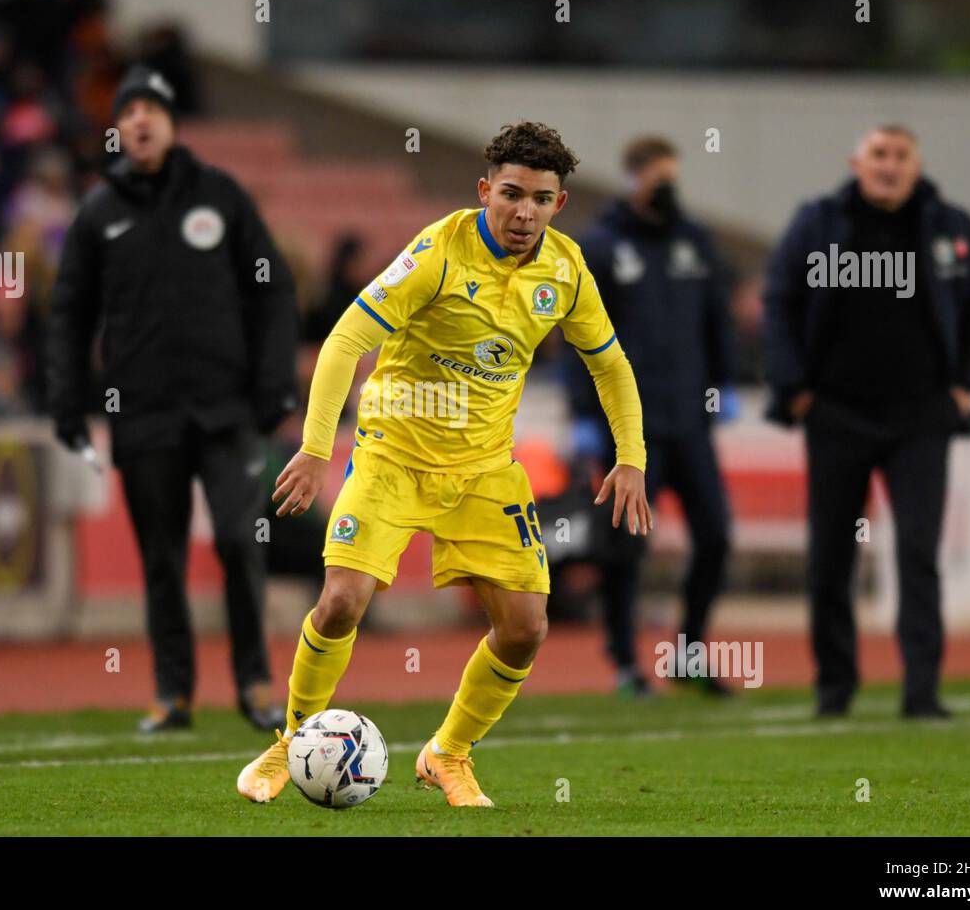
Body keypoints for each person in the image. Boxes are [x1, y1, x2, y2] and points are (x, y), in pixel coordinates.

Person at [235, 122, 653, 808]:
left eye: (541, 199)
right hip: (392, 459)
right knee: (341, 602)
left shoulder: (566, 269)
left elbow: (610, 365)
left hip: (485, 471)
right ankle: (292, 740)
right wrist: (314, 448)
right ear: (485, 190)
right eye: (511, 194)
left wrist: (631, 459)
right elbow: (345, 340)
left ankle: (447, 755)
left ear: (560, 204)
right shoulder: (438, 251)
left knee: (526, 628)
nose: (524, 212)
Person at [47, 66, 299, 733]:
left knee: (240, 540)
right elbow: (68, 315)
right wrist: (67, 406)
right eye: (126, 110)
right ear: (118, 127)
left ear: (171, 122)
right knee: (160, 559)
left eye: (150, 108)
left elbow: (272, 288)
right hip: (144, 413)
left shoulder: (221, 195)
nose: (138, 120)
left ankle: (255, 684)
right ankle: (173, 694)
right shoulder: (98, 213)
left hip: (227, 409)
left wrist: (274, 384)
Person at [763, 124, 970, 718]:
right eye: (879, 155)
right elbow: (778, 300)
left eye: (900, 156)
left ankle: (922, 692)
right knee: (830, 560)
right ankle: (834, 691)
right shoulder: (817, 222)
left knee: (918, 554)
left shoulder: (951, 225)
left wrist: (966, 385)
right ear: (856, 162)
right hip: (835, 413)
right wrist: (794, 388)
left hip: (922, 416)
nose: (889, 165)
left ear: (916, 164)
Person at [574, 135, 738, 697]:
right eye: (657, 178)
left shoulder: (695, 243)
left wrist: (724, 385)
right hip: (628, 430)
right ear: (632, 178)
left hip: (690, 420)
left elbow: (719, 322)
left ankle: (689, 651)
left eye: (673, 177)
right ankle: (624, 661)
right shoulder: (600, 246)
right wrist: (584, 416)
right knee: (625, 545)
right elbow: (579, 337)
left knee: (715, 535)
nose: (667, 189)